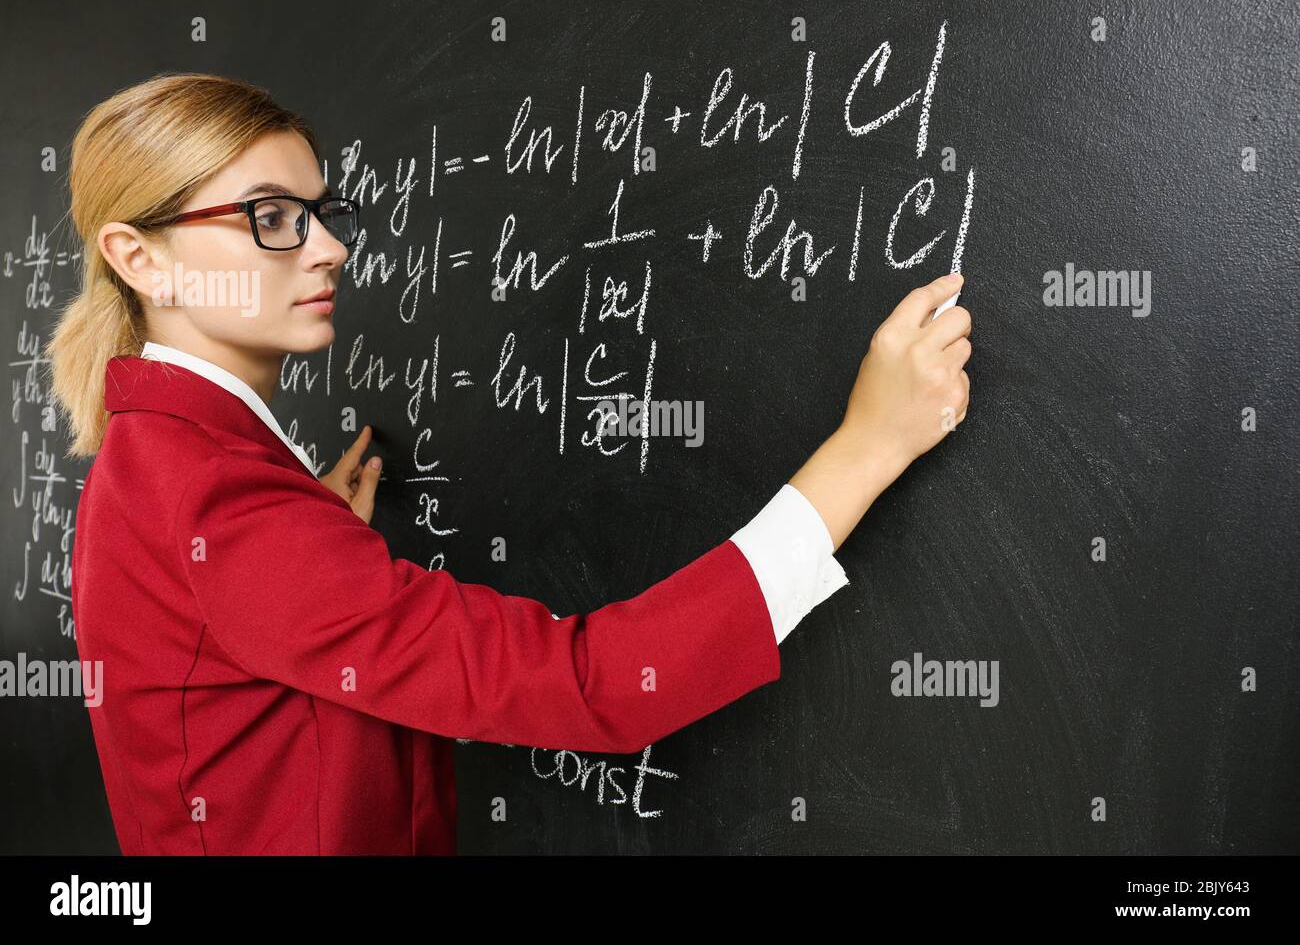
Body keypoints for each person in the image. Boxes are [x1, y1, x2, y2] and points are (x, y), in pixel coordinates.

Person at [48, 72, 971, 855]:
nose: (328, 247)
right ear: (141, 260)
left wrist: (307, 545)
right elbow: (594, 688)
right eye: (271, 217)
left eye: (323, 213)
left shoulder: (160, 457)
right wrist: (868, 447)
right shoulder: (218, 498)